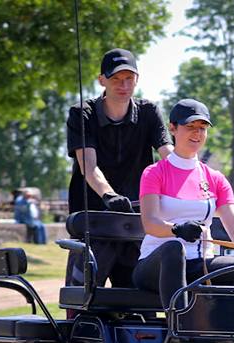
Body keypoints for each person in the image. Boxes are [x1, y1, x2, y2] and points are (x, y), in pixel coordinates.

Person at [134, 98, 234, 309]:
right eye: (190, 127)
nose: (197, 133)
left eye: (202, 128)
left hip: (198, 263)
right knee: (173, 249)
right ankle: (181, 330)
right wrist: (177, 230)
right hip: (156, 264)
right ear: (172, 128)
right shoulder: (154, 173)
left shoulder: (216, 178)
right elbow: (150, 223)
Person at [65, 48, 173, 287]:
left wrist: (191, 180)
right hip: (95, 224)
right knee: (83, 302)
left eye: (129, 79)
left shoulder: (148, 112)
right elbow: (89, 167)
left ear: (137, 79)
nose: (123, 85)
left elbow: (168, 155)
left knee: (141, 303)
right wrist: (109, 195)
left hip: (137, 224)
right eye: (115, 79)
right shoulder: (82, 113)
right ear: (101, 80)